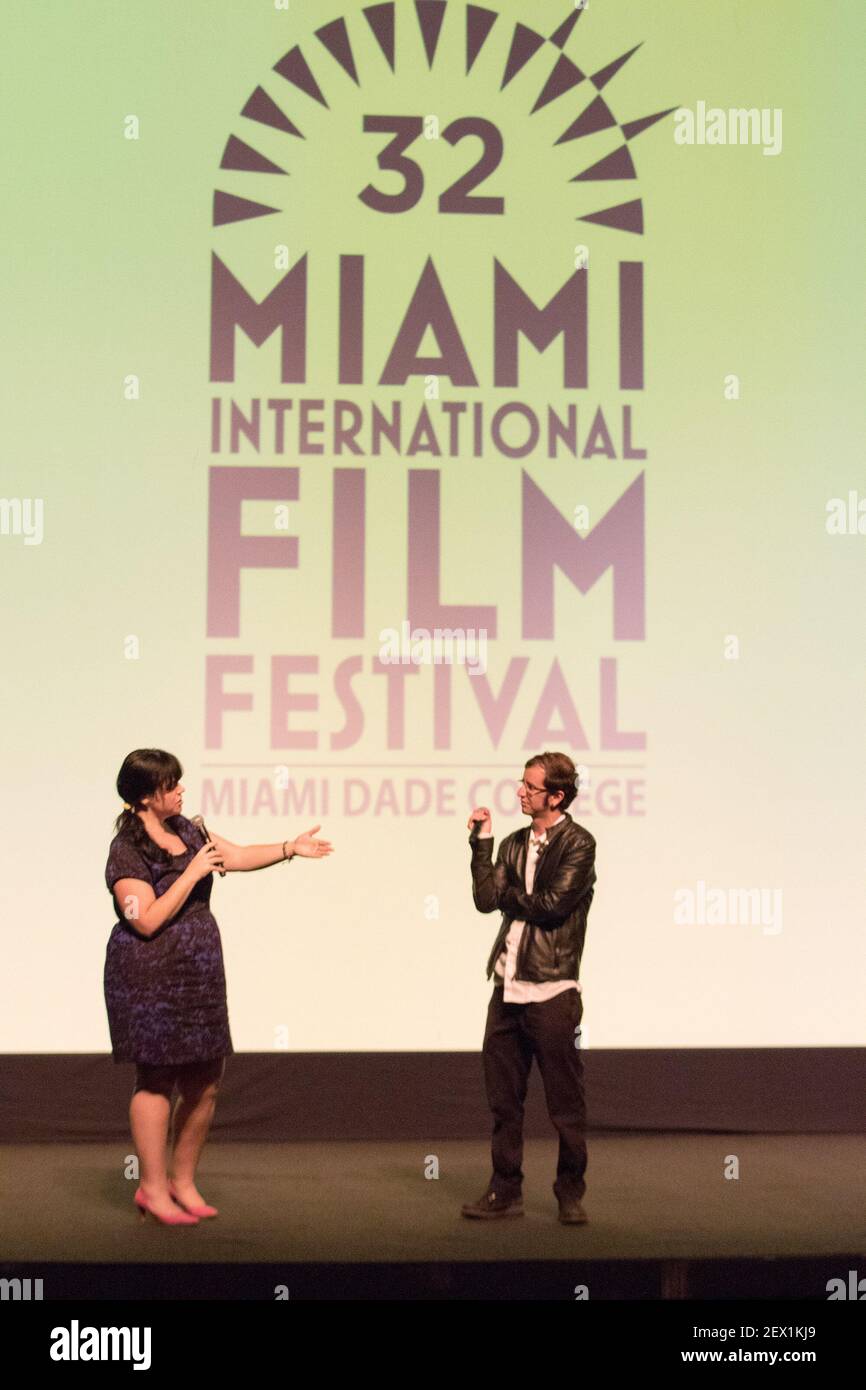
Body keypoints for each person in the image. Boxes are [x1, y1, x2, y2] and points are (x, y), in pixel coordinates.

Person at [103, 748, 333, 1226]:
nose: (182, 791)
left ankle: (183, 1181)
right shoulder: (126, 851)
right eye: (172, 785)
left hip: (199, 971)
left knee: (206, 1078)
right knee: (156, 1078)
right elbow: (144, 920)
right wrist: (191, 873)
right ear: (146, 796)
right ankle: (151, 1188)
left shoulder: (188, 829)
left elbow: (239, 855)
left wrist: (289, 847)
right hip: (148, 974)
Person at [462, 750, 596, 1224]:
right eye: (521, 784)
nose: (521, 791)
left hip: (553, 990)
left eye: (530, 786)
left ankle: (569, 1192)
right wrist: (482, 844)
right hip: (507, 988)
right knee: (503, 1101)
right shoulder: (514, 844)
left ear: (555, 796)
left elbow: (552, 905)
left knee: (565, 1104)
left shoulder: (579, 844)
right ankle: (505, 1190)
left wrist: (512, 897)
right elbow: (485, 901)